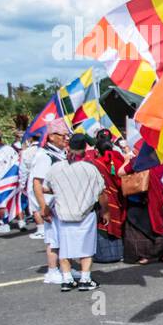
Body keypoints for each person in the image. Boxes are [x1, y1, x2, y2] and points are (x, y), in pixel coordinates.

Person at [43, 134, 109, 291]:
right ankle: (85, 279)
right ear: (85, 149)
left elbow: (45, 188)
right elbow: (101, 192)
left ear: (68, 147)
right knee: (86, 248)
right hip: (85, 214)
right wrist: (106, 212)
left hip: (63, 215)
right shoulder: (90, 169)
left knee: (65, 248)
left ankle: (67, 279)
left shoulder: (56, 168)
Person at [30, 123, 69, 283]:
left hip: (63, 203)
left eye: (67, 136)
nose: (66, 139)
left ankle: (64, 267)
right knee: (54, 239)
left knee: (64, 238)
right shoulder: (45, 156)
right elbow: (37, 183)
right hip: (51, 204)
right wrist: (43, 207)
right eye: (62, 136)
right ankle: (52, 270)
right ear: (51, 136)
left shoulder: (60, 154)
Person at [86, 129, 126, 263]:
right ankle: (120, 252)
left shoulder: (96, 162)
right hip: (118, 195)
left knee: (104, 222)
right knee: (118, 221)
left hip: (104, 196)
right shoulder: (119, 155)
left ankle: (106, 255)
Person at [119, 157, 163, 265]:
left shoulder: (137, 161)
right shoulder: (160, 162)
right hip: (154, 197)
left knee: (138, 227)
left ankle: (144, 256)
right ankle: (162, 253)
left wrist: (127, 161)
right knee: (156, 224)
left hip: (138, 197)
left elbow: (120, 172)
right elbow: (160, 174)